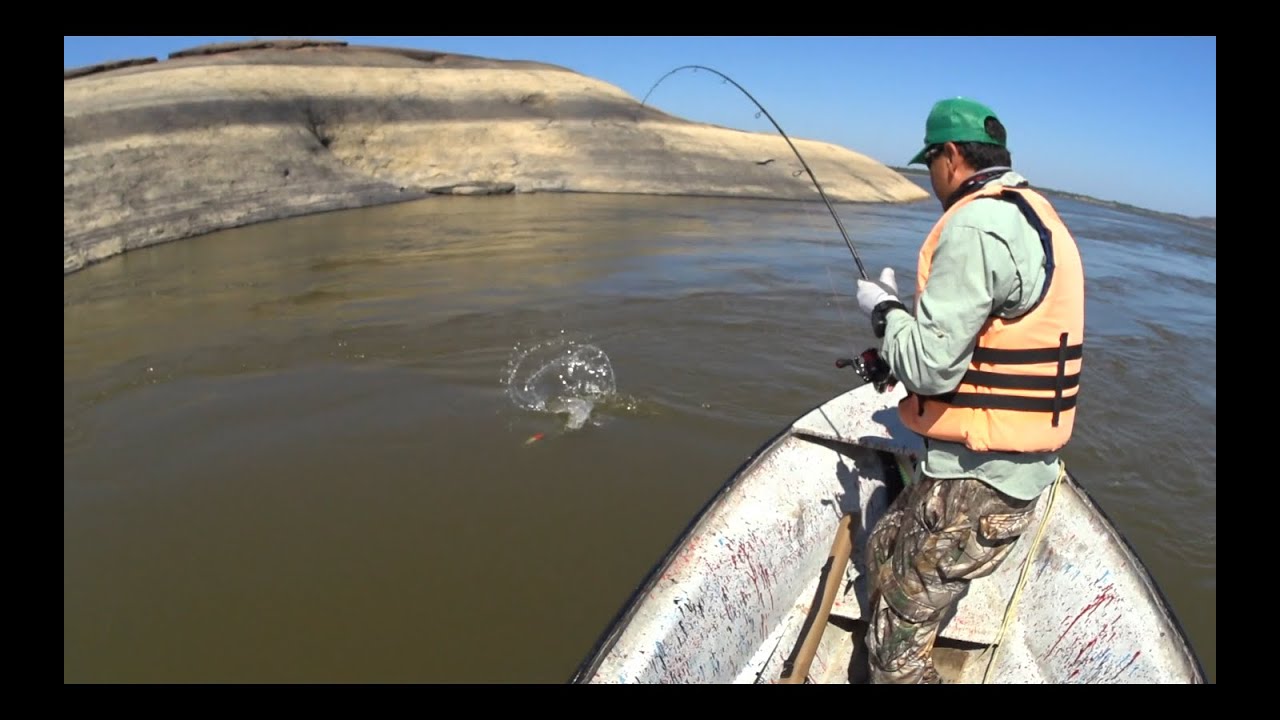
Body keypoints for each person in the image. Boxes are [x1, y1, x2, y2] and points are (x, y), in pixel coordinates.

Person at [852, 97, 1085, 684]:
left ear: (950, 157)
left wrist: (884, 312)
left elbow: (931, 369)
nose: (930, 176)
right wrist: (897, 355)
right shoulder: (1035, 215)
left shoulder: (977, 225)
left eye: (929, 161)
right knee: (882, 549)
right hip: (993, 470)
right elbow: (978, 350)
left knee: (894, 659)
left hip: (978, 485)